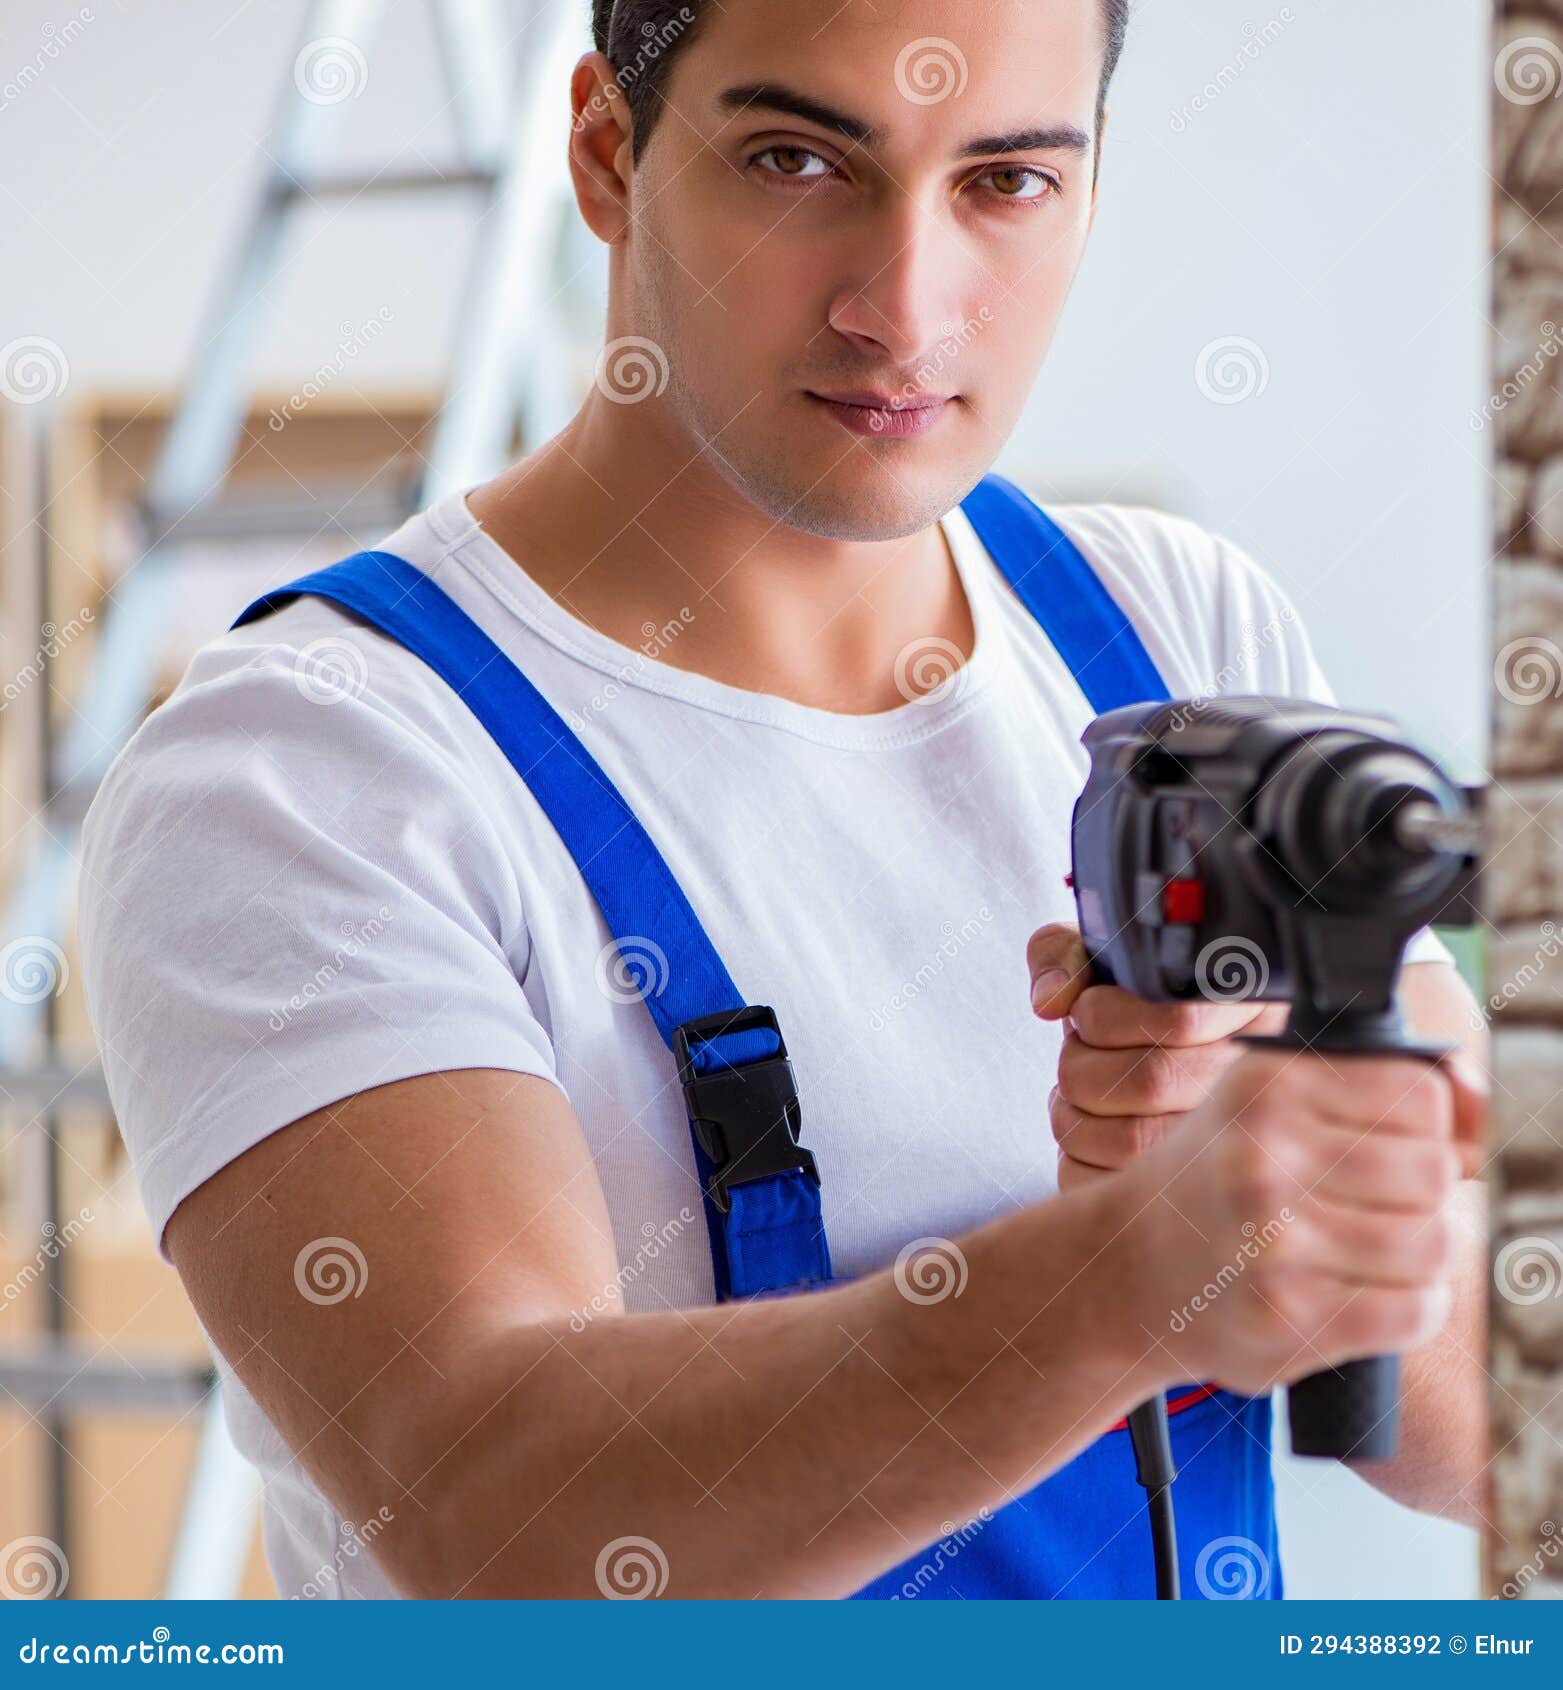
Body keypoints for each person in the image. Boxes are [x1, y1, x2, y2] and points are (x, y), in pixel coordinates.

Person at [77, 0, 1489, 1600]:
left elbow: (1499, 1432)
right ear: (607, 148)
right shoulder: (319, 762)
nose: (906, 310)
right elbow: (496, 1512)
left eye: (1006, 182)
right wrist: (1128, 1274)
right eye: (798, 160)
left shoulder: (1175, 641)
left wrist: (1314, 1209)